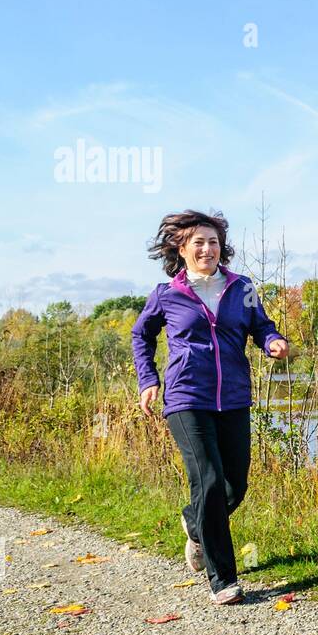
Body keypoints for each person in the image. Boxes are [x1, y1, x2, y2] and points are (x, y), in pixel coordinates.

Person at [131, 210, 289, 605]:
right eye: (198, 242)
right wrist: (148, 379)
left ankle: (195, 522)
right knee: (210, 480)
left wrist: (272, 340)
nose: (207, 248)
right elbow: (141, 335)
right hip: (187, 397)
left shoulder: (242, 287)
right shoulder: (166, 294)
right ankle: (223, 579)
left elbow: (261, 324)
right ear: (181, 249)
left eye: (213, 242)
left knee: (236, 484)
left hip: (233, 396)